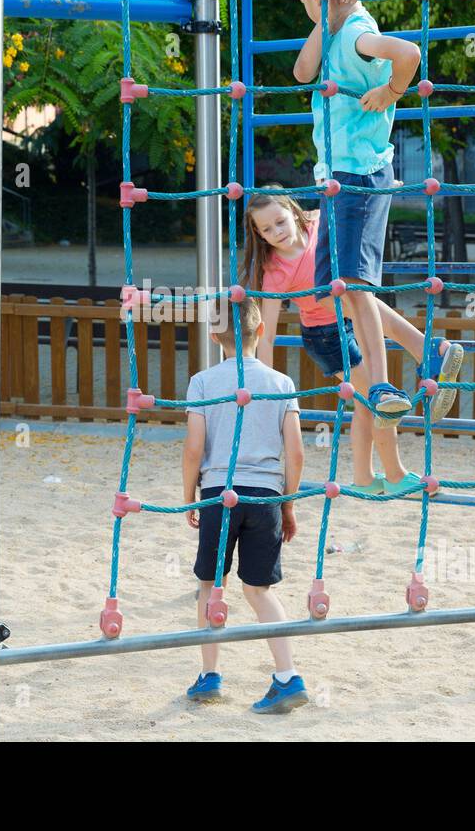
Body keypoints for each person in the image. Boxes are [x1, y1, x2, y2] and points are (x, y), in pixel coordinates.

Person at [291, 0, 465, 431]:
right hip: (338, 178)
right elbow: (302, 72)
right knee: (336, 289)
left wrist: (391, 90)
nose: (305, 8)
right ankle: (430, 349)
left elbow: (408, 52)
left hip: (359, 176)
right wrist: (326, 18)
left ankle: (385, 383)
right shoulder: (335, 30)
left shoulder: (359, 36)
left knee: (352, 285)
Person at [242, 190, 465, 495]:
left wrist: (380, 188)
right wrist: (265, 384)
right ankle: (397, 475)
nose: (277, 232)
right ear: (258, 232)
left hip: (347, 320)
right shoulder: (276, 272)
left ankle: (363, 478)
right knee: (377, 402)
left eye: (280, 222)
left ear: (294, 212)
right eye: (266, 229)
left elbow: (350, 208)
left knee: (363, 402)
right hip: (326, 339)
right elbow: (266, 336)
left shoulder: (316, 222)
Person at [182, 298, 308, 713]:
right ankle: (288, 676)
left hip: (220, 493)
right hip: (266, 497)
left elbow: (193, 448)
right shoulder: (281, 383)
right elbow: (297, 453)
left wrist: (189, 497)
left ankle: (210, 676)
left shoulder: (203, 382)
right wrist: (288, 504)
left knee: (209, 585)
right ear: (262, 333)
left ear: (213, 336)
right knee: (259, 589)